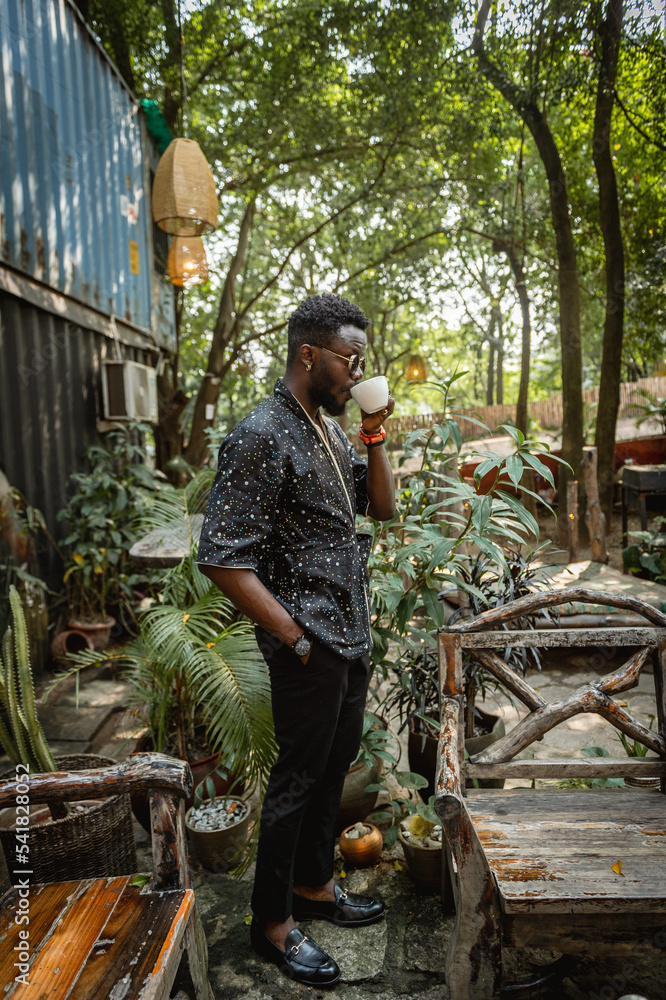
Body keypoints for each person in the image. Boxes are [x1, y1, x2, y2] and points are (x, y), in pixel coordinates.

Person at [197, 293, 396, 986]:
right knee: (295, 782)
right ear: (308, 354)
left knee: (332, 772)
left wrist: (373, 436)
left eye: (361, 361)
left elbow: (382, 509)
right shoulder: (261, 433)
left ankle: (314, 886)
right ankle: (272, 923)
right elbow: (223, 556)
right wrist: (293, 634)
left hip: (349, 636)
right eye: (349, 360)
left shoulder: (329, 430)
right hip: (310, 642)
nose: (356, 371)